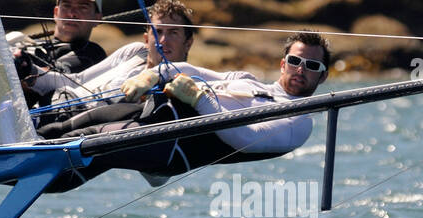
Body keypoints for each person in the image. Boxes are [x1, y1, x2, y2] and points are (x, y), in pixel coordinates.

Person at [43, 31, 334, 191]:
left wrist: (199, 98)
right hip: (155, 115)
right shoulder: (249, 81)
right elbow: (194, 70)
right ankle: (5, 156)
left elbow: (244, 137)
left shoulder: (298, 121)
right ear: (283, 63)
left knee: (81, 143)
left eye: (312, 66)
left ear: (322, 76)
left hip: (171, 147)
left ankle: (12, 168)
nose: (300, 70)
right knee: (65, 130)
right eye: (296, 61)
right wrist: (155, 75)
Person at [29, 0, 226, 128]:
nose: (163, 40)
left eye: (173, 33)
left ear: (188, 42)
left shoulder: (186, 83)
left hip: (68, 132)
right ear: (146, 38)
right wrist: (29, 71)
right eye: (158, 32)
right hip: (47, 105)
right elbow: (76, 80)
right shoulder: (134, 52)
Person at [10, 0, 106, 97]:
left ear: (97, 18)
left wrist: (23, 68)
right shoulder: (30, 45)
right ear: (56, 12)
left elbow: (53, 81)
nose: (72, 14)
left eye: (82, 7)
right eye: (66, 5)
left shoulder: (93, 54)